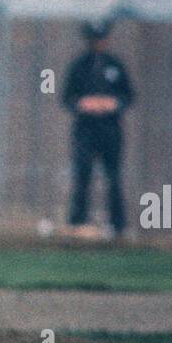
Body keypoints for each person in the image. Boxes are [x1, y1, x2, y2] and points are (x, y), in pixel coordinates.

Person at [62, 20, 135, 238]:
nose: (98, 43)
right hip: (85, 129)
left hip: (110, 129)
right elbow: (67, 97)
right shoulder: (79, 65)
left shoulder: (115, 65)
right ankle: (78, 221)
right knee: (83, 174)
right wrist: (83, 104)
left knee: (113, 176)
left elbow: (128, 95)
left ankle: (118, 224)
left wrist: (113, 104)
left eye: (101, 38)